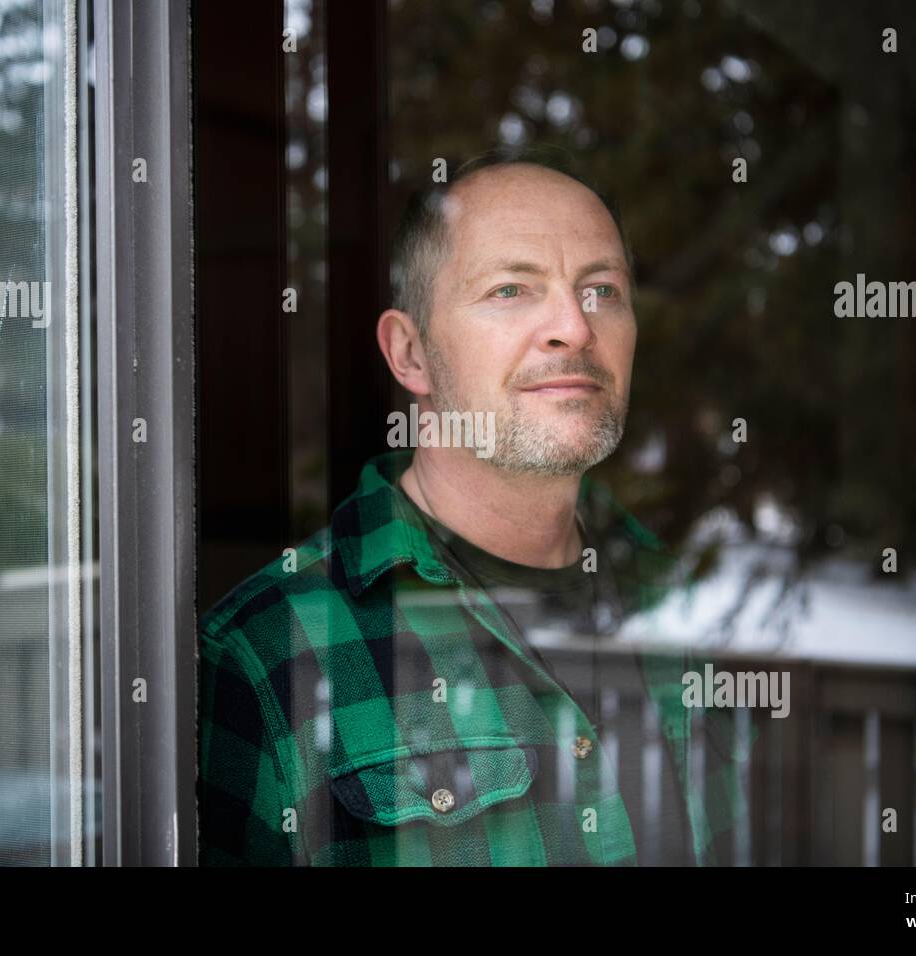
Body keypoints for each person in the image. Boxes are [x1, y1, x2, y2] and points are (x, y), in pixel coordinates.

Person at [199, 145, 751, 866]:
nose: (576, 328)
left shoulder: (688, 602)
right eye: (512, 290)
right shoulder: (267, 651)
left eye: (603, 290)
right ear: (411, 355)